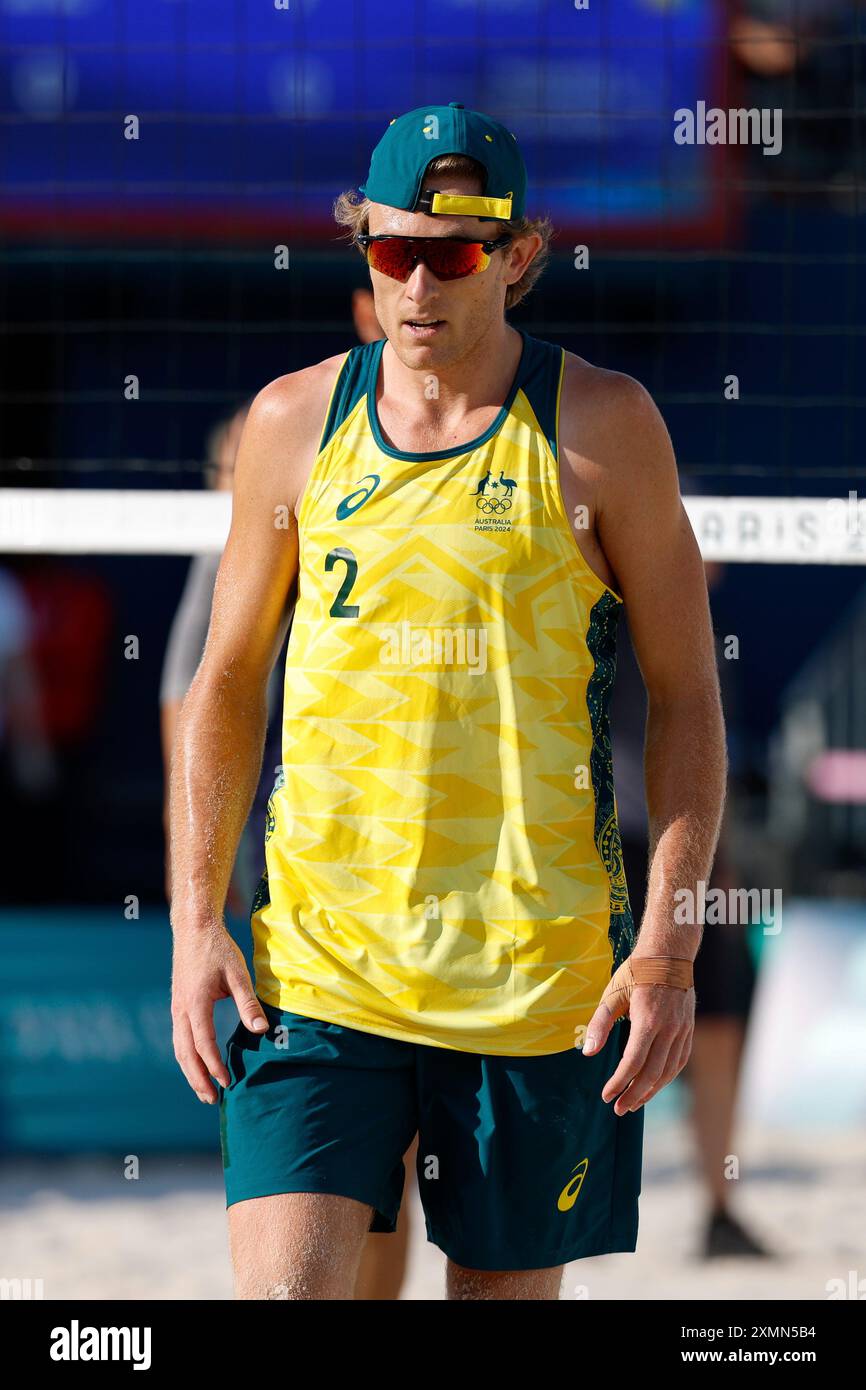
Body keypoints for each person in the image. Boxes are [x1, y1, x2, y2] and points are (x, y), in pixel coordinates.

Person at [169, 102, 726, 1300]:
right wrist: (193, 916)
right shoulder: (291, 422)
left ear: (520, 256)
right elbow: (222, 683)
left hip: (536, 983)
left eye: (452, 253)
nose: (416, 282)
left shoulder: (600, 427)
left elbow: (685, 695)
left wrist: (669, 951)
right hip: (316, 972)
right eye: (391, 250)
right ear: (362, 248)